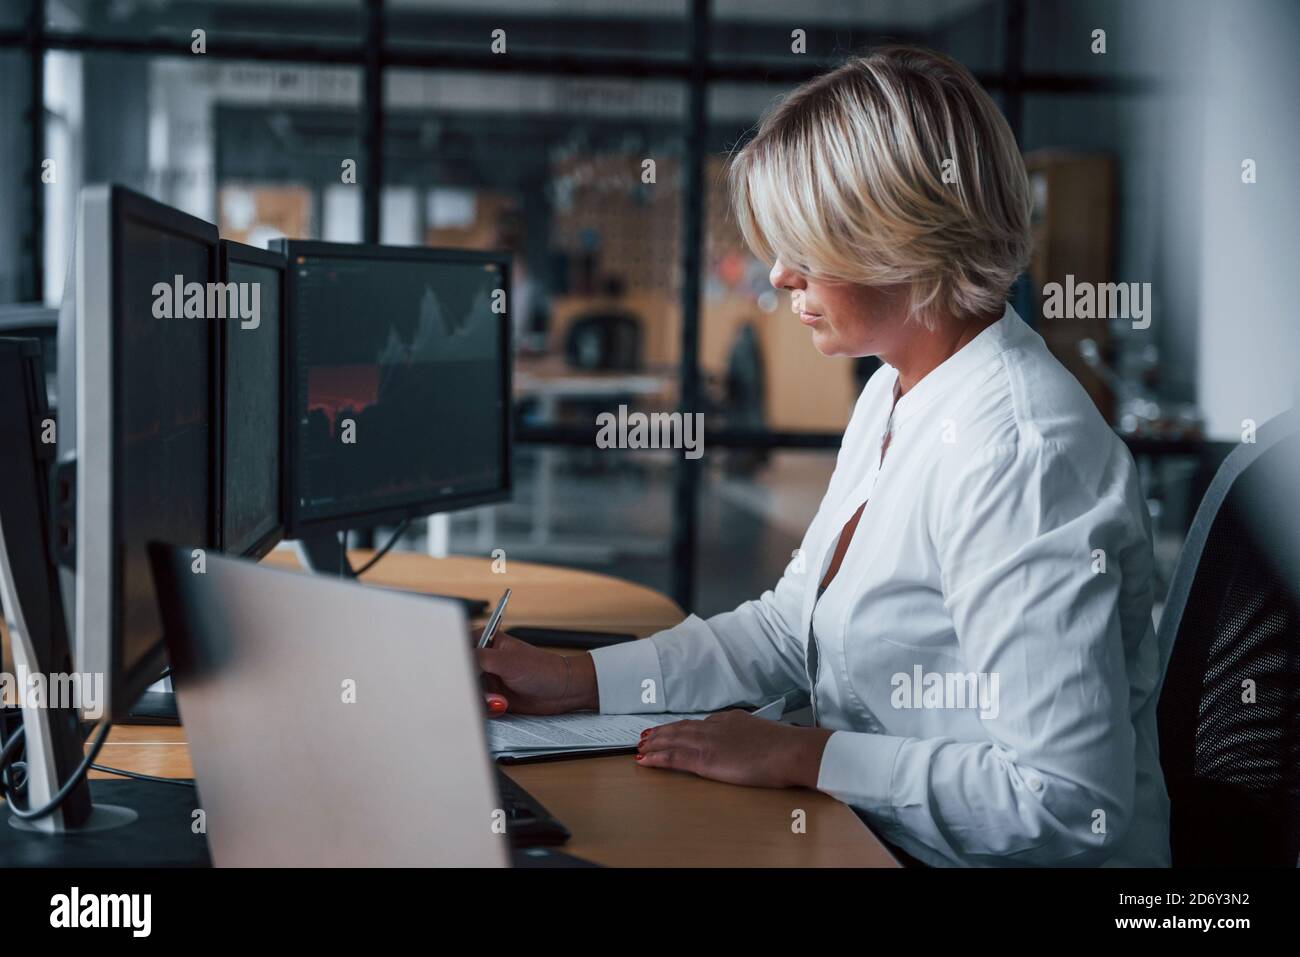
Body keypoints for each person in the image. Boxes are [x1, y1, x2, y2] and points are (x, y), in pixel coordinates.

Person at [479, 45, 1170, 867]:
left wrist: (806, 756)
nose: (777, 273)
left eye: (805, 244)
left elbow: (1066, 800)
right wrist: (576, 678)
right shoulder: (897, 390)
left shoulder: (1017, 452)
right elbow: (784, 628)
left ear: (903, 238)